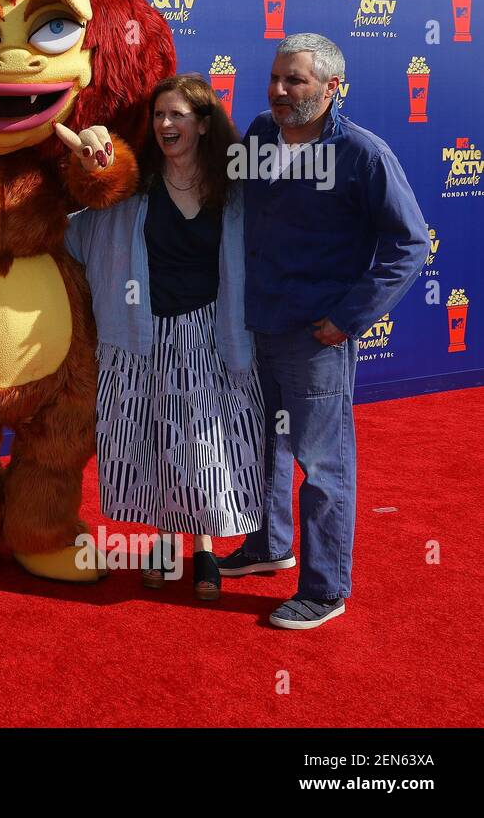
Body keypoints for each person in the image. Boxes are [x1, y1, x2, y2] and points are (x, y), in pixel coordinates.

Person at [219, 33, 429, 629]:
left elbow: (409, 244)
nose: (280, 91)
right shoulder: (260, 133)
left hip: (316, 338)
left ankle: (325, 588)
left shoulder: (363, 155)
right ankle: (268, 545)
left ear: (331, 88)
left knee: (322, 464)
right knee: (263, 448)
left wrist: (348, 317)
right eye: (277, 78)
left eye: (296, 81)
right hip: (256, 325)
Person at [66, 74, 263, 600]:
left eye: (177, 115)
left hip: (208, 333)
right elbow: (79, 228)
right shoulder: (139, 188)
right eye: (158, 115)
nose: (166, 124)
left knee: (199, 444)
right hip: (142, 333)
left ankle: (202, 549)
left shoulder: (234, 190)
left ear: (203, 123)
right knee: (153, 437)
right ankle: (159, 541)